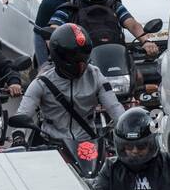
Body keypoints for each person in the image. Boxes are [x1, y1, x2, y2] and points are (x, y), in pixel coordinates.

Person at [14, 22, 124, 155]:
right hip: (51, 147)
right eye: (75, 60)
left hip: (88, 147)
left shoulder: (95, 75)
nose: (81, 66)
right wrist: (18, 136)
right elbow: (23, 113)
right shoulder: (42, 82)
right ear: (58, 57)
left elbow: (114, 107)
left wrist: (127, 125)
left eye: (84, 59)